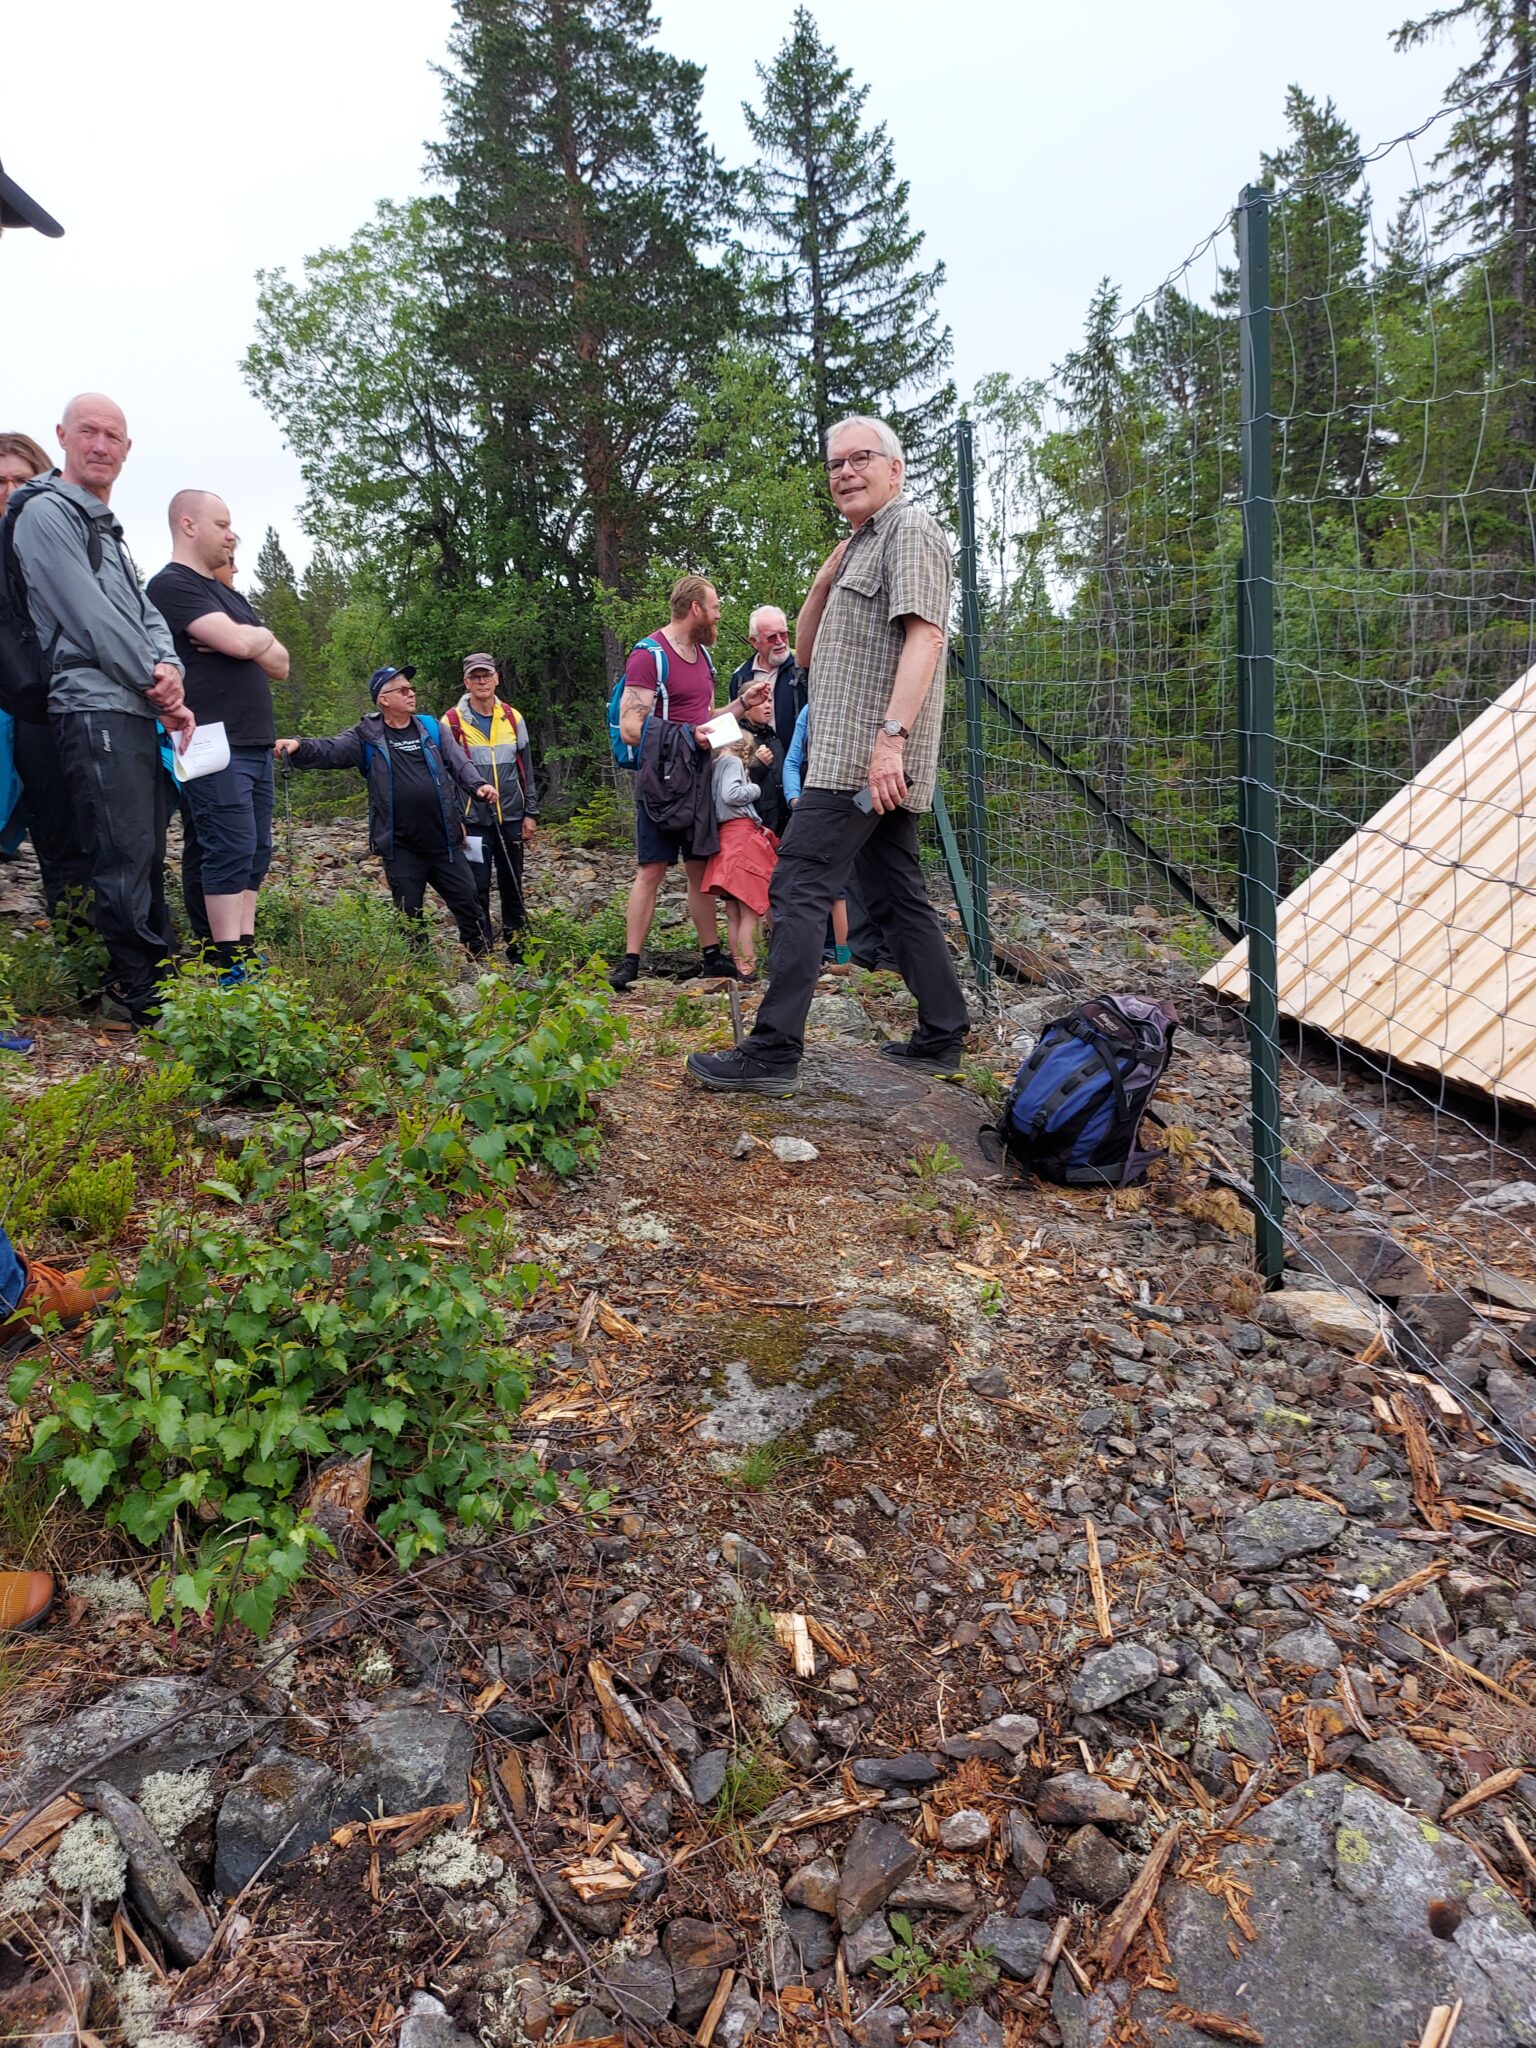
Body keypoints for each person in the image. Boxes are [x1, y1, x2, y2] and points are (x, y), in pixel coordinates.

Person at [687, 416, 969, 1096]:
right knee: (897, 894)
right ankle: (942, 1033)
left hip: (862, 760)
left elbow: (927, 640)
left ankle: (773, 1050)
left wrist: (891, 742)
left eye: (859, 458)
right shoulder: (860, 546)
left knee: (797, 884)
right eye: (835, 463)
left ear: (896, 469)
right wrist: (821, 582)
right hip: (850, 756)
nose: (844, 472)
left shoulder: (909, 529)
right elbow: (808, 656)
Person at [11, 395, 193, 1026]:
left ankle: (161, 980)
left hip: (129, 705)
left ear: (127, 448)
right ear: (61, 436)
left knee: (143, 850)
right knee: (118, 852)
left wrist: (171, 670)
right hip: (90, 706)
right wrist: (155, 682)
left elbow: (143, 612)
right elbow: (88, 616)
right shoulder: (45, 513)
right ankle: (137, 993)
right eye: (87, 431)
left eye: (113, 435)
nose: (100, 445)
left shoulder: (103, 527)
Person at [146, 493, 289, 981]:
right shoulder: (172, 584)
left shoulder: (228, 594)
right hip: (209, 739)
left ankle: (244, 950)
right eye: (222, 524)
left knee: (256, 848)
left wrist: (253, 639)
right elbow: (240, 643)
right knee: (227, 844)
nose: (231, 535)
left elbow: (280, 663)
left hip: (254, 740)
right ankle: (226, 960)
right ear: (189, 525)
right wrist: (249, 640)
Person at [609, 576, 769, 992]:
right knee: (652, 869)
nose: (718, 615)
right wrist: (686, 735)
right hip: (660, 781)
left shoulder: (704, 658)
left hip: (700, 778)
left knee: (700, 868)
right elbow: (630, 727)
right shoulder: (649, 656)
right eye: (715, 607)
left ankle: (711, 957)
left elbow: (706, 721)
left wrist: (743, 705)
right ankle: (630, 962)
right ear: (695, 608)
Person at [275, 667, 497, 956]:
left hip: (444, 841)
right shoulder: (367, 736)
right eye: (403, 690)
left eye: (411, 688)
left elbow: (459, 763)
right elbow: (331, 749)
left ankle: (480, 960)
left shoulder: (431, 728)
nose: (411, 693)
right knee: (409, 915)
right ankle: (420, 967)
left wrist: (478, 785)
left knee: (469, 903)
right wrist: (298, 746)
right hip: (401, 846)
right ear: (384, 699)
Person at [0, 430, 96, 919]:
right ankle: (80, 953)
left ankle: (123, 945)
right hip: (21, 710)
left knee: (104, 829)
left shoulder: (65, 538)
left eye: (21, 480)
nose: (10, 492)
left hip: (77, 699)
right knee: (57, 835)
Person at [443, 653, 538, 960]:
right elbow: (445, 776)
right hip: (472, 819)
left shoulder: (512, 717)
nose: (482, 681)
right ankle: (479, 948)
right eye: (475, 677)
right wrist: (455, 818)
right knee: (475, 885)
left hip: (511, 816)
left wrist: (530, 812)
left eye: (486, 676)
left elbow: (526, 768)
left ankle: (518, 947)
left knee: (513, 883)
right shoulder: (451, 722)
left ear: (497, 678)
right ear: (466, 682)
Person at [702, 731, 778, 976]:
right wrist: (755, 788)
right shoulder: (733, 762)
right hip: (742, 840)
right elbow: (732, 794)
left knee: (733, 913)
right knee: (750, 912)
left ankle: (740, 966)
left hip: (725, 840)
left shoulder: (714, 765)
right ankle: (748, 967)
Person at [782, 703, 850, 961]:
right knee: (817, 883)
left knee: (842, 887)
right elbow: (792, 760)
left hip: (852, 801)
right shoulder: (811, 709)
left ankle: (846, 958)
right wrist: (795, 799)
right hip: (816, 802)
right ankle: (831, 956)